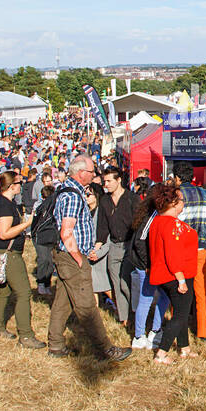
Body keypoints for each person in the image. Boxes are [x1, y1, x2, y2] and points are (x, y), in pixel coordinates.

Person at [45, 155, 132, 362]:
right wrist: (78, 258)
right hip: (72, 257)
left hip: (66, 256)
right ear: (82, 173)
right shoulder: (73, 196)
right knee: (87, 307)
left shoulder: (67, 190)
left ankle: (55, 345)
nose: (95, 176)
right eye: (93, 172)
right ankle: (105, 349)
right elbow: (67, 231)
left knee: (62, 303)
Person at [0, 171, 42, 346]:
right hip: (9, 255)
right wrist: (26, 224)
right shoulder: (5, 205)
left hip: (5, 253)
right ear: (12, 186)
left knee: (3, 291)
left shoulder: (6, 203)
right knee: (24, 292)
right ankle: (26, 335)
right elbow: (3, 234)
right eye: (20, 183)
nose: (22, 185)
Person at [148, 183, 199, 365]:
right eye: (182, 200)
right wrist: (181, 279)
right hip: (177, 275)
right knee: (180, 315)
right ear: (174, 203)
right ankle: (161, 353)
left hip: (164, 274)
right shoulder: (172, 225)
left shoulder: (157, 221)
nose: (183, 204)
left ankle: (184, 347)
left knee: (180, 312)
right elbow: (173, 253)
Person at [174, 162, 206, 340]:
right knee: (202, 292)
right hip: (201, 247)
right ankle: (203, 332)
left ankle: (177, 328)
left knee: (178, 289)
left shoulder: (177, 195)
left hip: (180, 249)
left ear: (177, 178)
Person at [128, 187, 169, 350]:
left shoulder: (152, 214)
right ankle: (139, 335)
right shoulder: (152, 216)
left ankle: (154, 330)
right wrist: (147, 265)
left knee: (163, 296)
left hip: (155, 264)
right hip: (147, 265)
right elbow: (140, 241)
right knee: (146, 297)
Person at [96, 166, 135, 327]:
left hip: (129, 245)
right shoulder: (105, 200)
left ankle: (134, 314)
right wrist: (99, 243)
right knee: (116, 283)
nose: (106, 184)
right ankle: (124, 318)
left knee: (126, 284)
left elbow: (138, 222)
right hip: (114, 245)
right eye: (105, 181)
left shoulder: (132, 199)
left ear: (119, 180)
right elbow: (102, 224)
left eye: (109, 181)